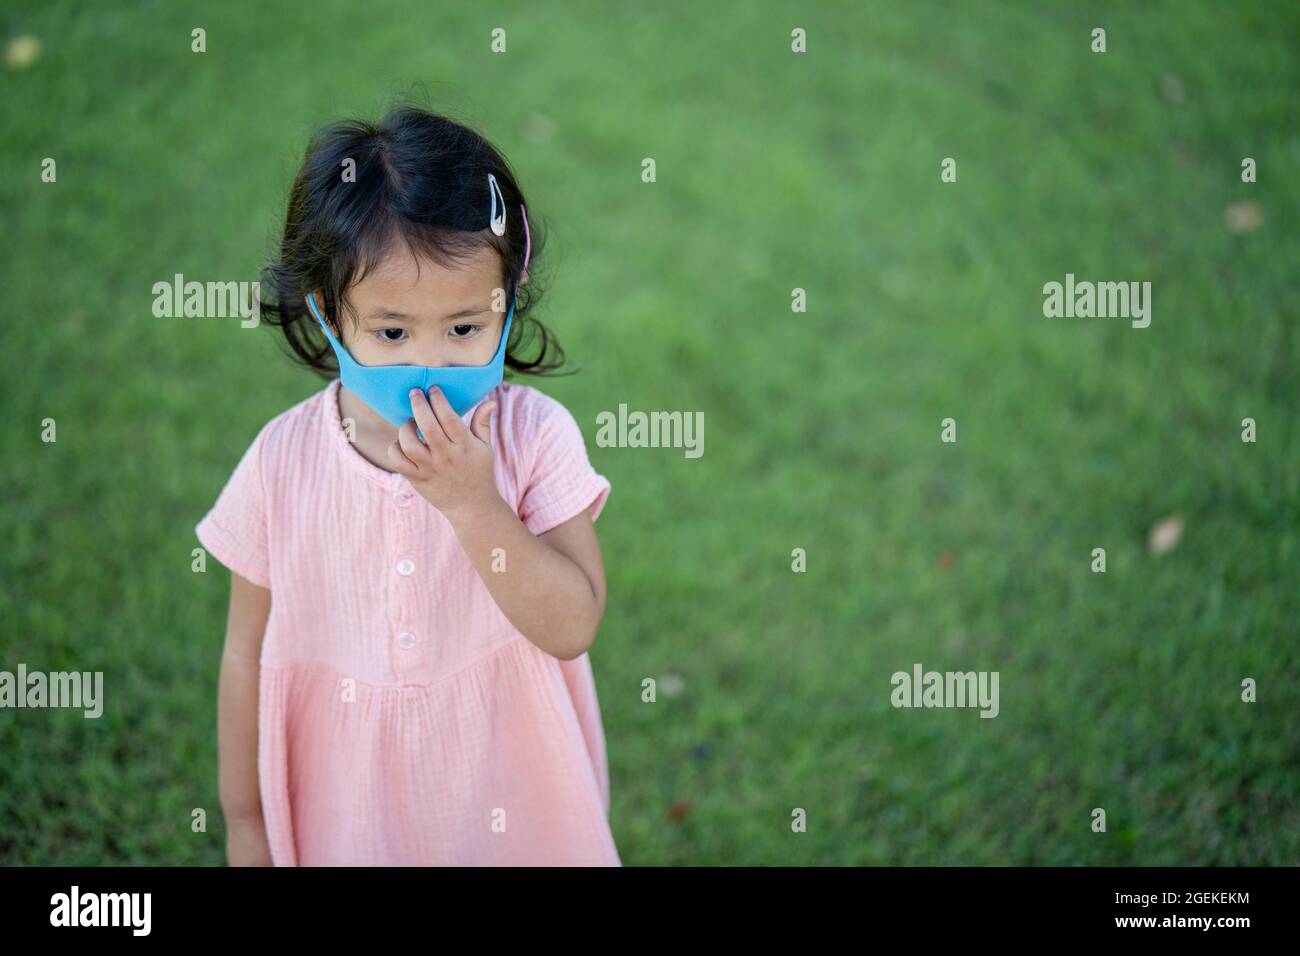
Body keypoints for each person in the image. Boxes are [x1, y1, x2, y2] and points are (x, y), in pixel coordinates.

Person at [196, 104, 619, 866]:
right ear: (329, 314)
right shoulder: (280, 464)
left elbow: (573, 623)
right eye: (392, 333)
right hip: (350, 808)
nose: (432, 363)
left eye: (464, 329)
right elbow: (244, 652)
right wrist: (246, 822)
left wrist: (474, 504)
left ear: (508, 300)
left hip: (513, 794)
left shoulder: (535, 438)